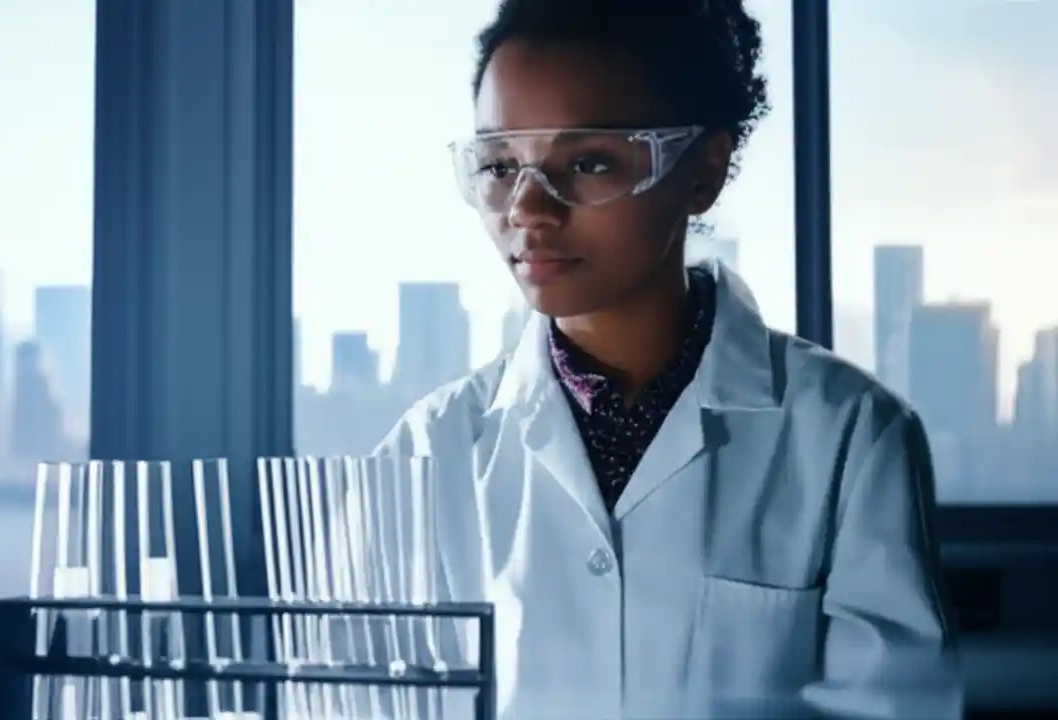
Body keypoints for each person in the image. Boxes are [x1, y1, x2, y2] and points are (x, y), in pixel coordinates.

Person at [374, 0, 962, 717]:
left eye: (587, 162)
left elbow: (894, 708)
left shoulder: (851, 437)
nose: (528, 208)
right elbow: (359, 697)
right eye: (500, 164)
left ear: (702, 170)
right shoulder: (424, 454)